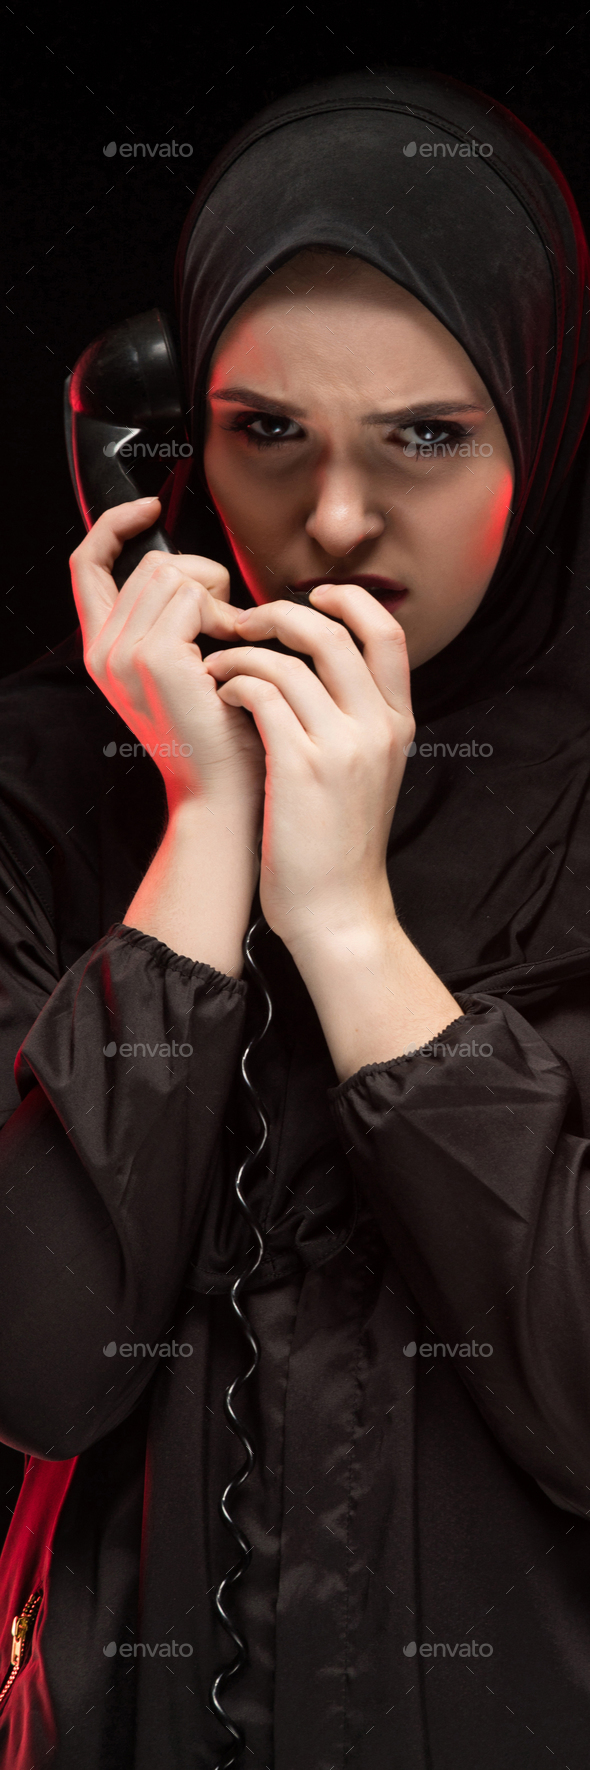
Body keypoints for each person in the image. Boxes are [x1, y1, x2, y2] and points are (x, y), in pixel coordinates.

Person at [0, 63, 590, 1770]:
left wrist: (343, 927)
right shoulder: (48, 783)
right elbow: (40, 1363)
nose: (334, 520)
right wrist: (199, 833)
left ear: (539, 427)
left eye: (424, 435)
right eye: (267, 433)